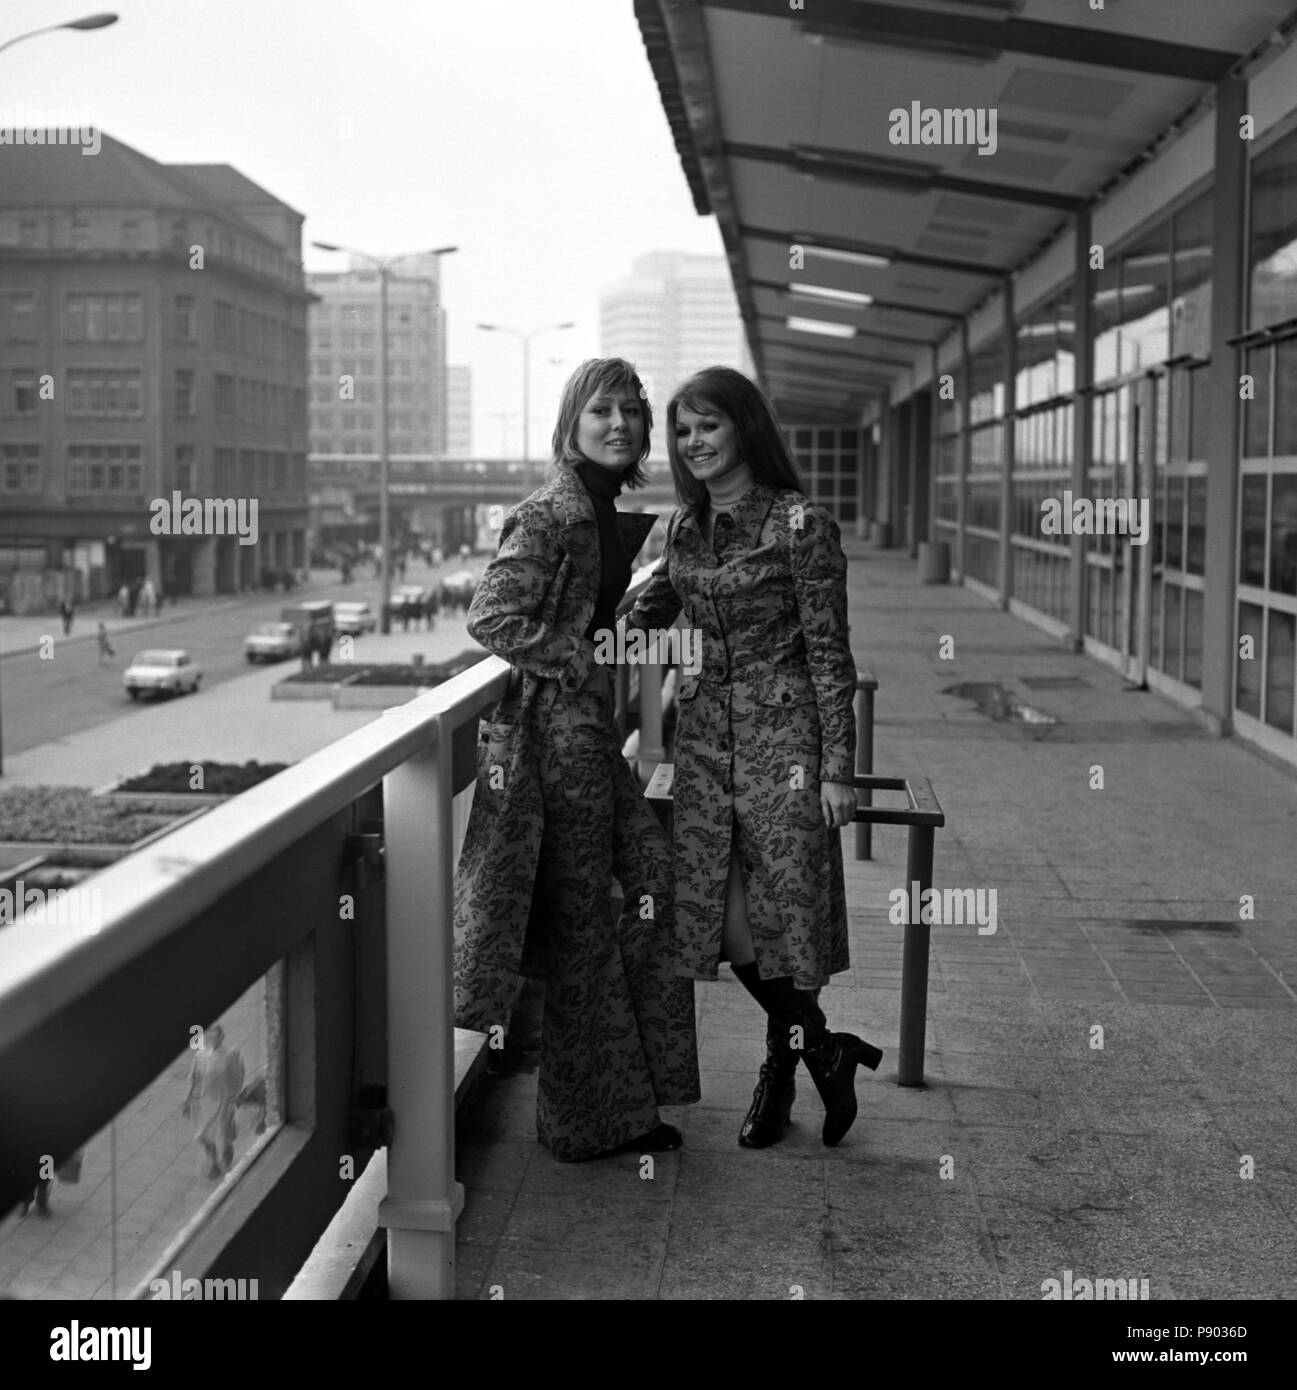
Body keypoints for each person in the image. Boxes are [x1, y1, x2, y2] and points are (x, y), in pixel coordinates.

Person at [624, 365, 881, 1151]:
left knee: (783, 916)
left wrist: (837, 767)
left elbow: (831, 655)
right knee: (725, 922)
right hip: (704, 747)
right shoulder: (682, 528)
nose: (693, 442)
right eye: (682, 429)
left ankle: (783, 1066)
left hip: (785, 747)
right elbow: (646, 613)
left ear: (744, 428)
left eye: (708, 425)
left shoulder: (802, 524)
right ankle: (825, 1049)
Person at [453, 357, 700, 1162]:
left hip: (587, 739)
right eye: (603, 409)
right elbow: (490, 615)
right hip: (555, 746)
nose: (620, 423)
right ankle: (588, 1120)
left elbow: (593, 612)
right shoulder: (555, 510)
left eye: (633, 411)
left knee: (636, 899)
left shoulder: (594, 507)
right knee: (592, 923)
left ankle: (608, 1105)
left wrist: (629, 624)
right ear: (572, 422)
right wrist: (578, 661)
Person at [182, 1024, 245, 1179]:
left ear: (221, 1037)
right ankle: (214, 1162)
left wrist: (234, 1097)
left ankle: (227, 1153)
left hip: (225, 1101)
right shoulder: (200, 1055)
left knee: (223, 1134)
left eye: (216, 1035)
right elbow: (194, 1077)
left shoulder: (231, 1054)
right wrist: (187, 1099)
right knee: (204, 1135)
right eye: (209, 1035)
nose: (212, 1038)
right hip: (206, 1102)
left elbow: (238, 1076)